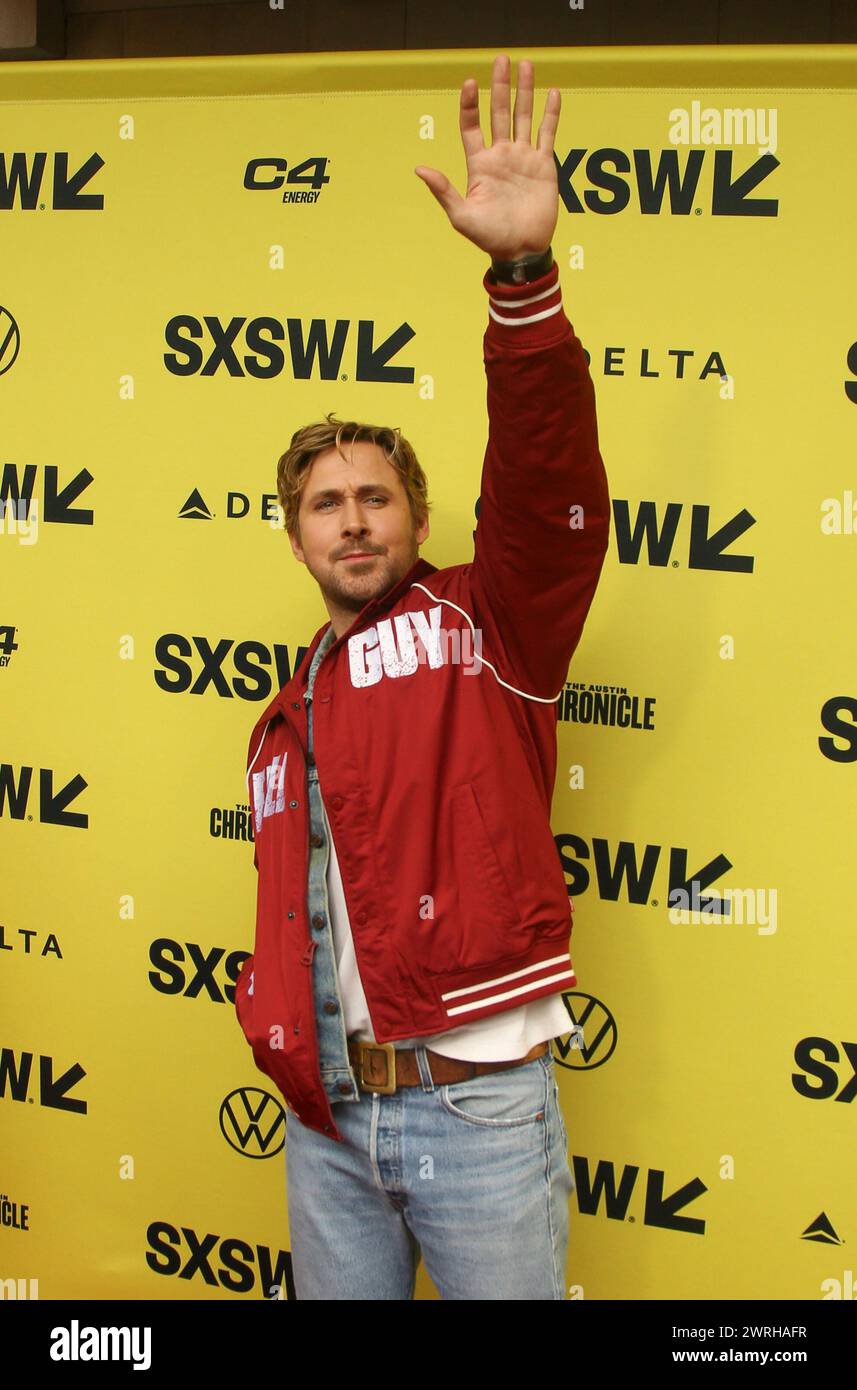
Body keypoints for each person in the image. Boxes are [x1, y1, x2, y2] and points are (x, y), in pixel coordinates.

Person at [234, 53, 611, 1300]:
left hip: (475, 1112)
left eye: (374, 498)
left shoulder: (487, 621)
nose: (351, 522)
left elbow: (549, 486)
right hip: (326, 1119)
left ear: (417, 516)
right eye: (324, 505)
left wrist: (520, 277)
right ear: (295, 537)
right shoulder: (282, 720)